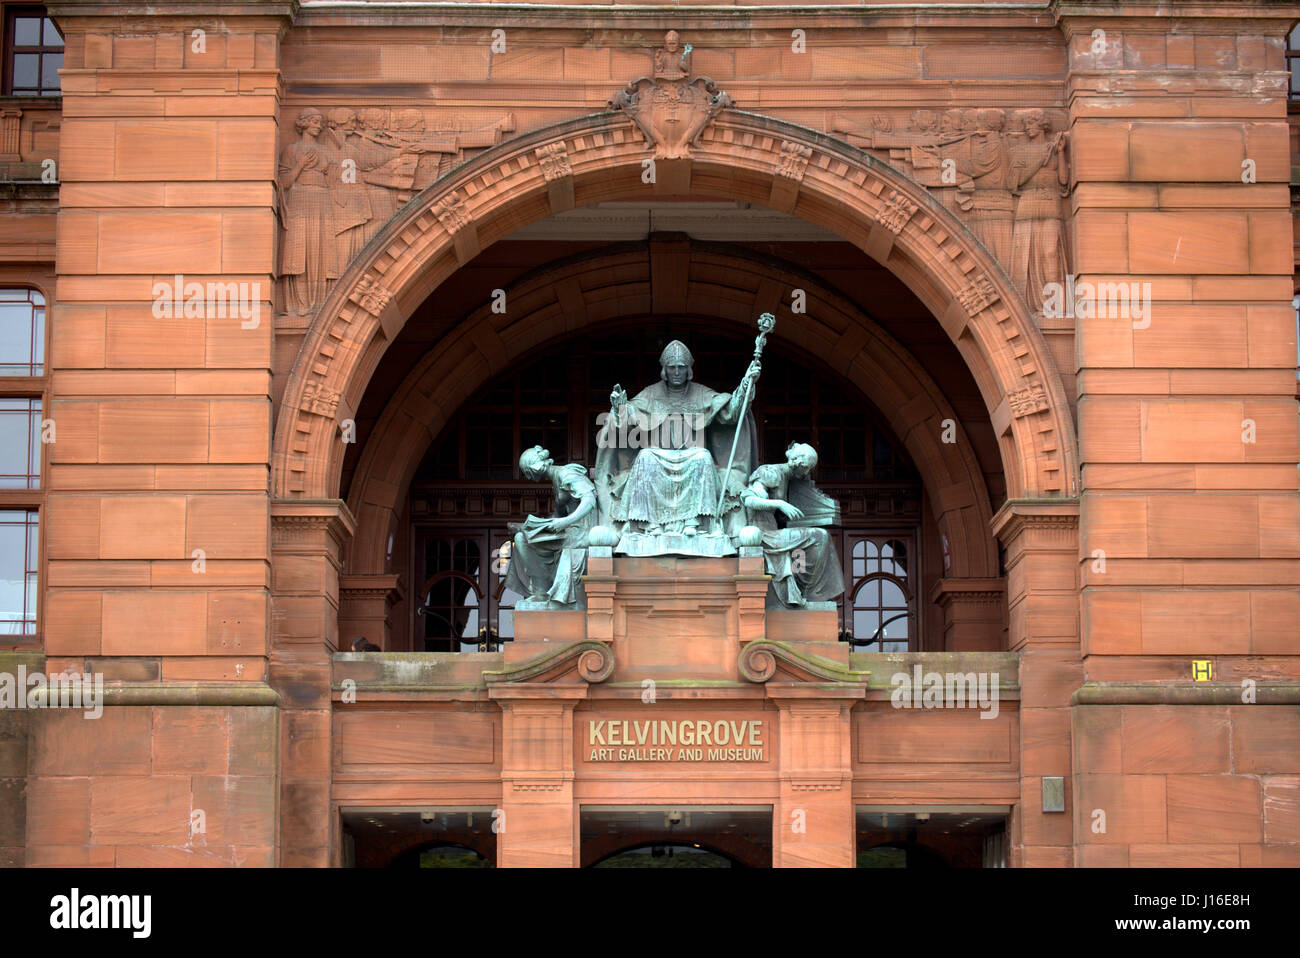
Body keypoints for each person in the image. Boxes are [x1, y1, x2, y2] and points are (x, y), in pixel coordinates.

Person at [594, 339, 759, 540]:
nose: (677, 372)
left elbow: (732, 411)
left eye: (681, 367)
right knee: (645, 456)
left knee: (703, 456)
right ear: (664, 369)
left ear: (689, 369)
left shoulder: (701, 393)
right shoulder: (651, 394)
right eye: (672, 367)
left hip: (691, 454)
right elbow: (629, 415)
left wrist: (745, 385)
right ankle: (650, 523)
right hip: (658, 454)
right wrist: (620, 407)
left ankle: (695, 521)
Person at [741, 442, 845, 608]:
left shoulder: (788, 479)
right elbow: (750, 500)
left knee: (810, 542)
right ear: (801, 466)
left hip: (774, 532)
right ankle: (808, 590)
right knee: (820, 537)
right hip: (764, 535)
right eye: (807, 469)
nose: (807, 474)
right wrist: (780, 504)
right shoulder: (771, 472)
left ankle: (805, 589)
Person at [504, 446, 598, 608]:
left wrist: (565, 521)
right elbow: (557, 517)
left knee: (523, 540)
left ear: (534, 468)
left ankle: (542, 592)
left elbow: (589, 499)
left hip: (582, 532)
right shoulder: (556, 479)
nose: (528, 477)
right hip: (569, 530)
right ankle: (540, 591)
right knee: (521, 537)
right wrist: (525, 527)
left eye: (527, 472)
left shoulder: (567, 474)